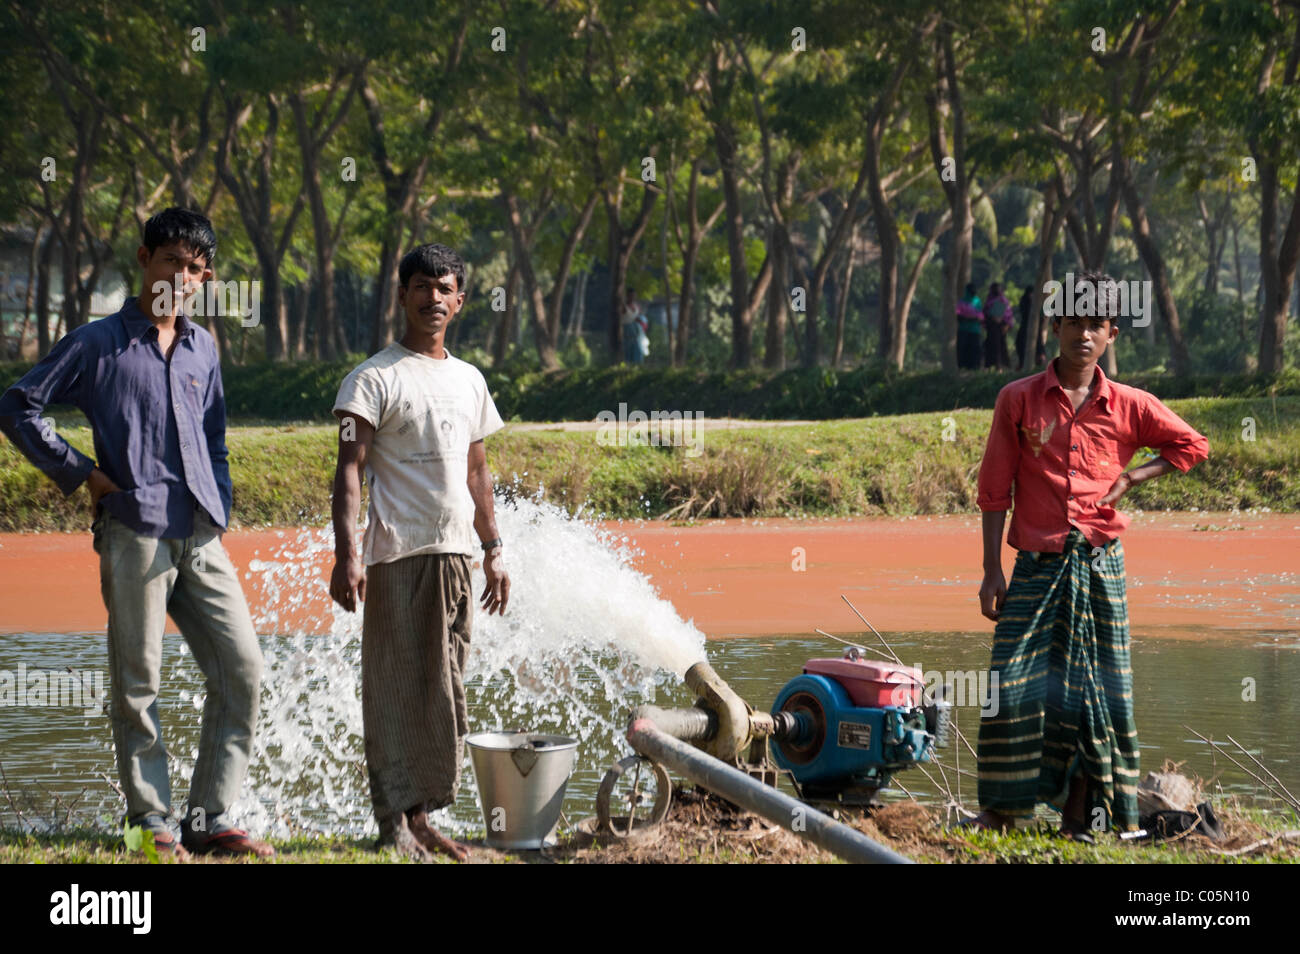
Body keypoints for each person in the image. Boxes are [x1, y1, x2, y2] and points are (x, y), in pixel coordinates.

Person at [0, 208, 270, 860]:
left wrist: (220, 502)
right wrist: (85, 475)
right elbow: (17, 405)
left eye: (197, 269)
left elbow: (214, 438)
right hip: (135, 533)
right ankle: (150, 823)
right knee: (137, 682)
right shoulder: (97, 343)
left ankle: (208, 820)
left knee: (243, 672)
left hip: (200, 536)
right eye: (173, 261)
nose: (184, 277)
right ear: (145, 258)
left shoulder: (205, 346)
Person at [968, 270, 1208, 840]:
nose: (1082, 334)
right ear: (1054, 326)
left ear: (1112, 333)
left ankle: (1083, 819)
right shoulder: (1018, 400)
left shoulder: (1130, 404)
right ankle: (1000, 812)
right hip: (1037, 569)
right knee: (1011, 684)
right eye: (1072, 322)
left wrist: (1133, 476)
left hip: (1101, 570)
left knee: (1098, 695)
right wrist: (989, 571)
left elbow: (1191, 445)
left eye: (1094, 325)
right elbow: (994, 489)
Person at [329, 243, 510, 862]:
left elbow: (478, 472)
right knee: (394, 687)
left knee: (443, 687)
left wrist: (494, 550)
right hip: (398, 556)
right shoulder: (373, 378)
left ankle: (423, 816)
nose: (433, 298)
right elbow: (348, 472)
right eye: (421, 286)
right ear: (401, 295)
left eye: (445, 288)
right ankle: (394, 822)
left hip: (458, 557)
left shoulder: (469, 379)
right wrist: (347, 554)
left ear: (459, 302)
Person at [981, 282, 1013, 370]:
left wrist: (1007, 325)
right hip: (991, 328)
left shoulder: (1004, 301)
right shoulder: (989, 301)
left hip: (1001, 328)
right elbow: (984, 315)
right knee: (991, 346)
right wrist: (992, 318)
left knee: (1001, 346)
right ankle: (990, 366)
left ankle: (1002, 366)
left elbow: (1009, 315)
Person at [956, 283, 983, 370]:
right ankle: (963, 366)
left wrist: (971, 318)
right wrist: (969, 318)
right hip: (964, 330)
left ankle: (975, 367)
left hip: (975, 330)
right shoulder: (962, 301)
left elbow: (980, 316)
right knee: (963, 348)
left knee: (975, 349)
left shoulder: (977, 301)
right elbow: (959, 315)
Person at [623, 289, 649, 364]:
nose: (632, 297)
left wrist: (642, 322)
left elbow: (637, 317)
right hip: (627, 331)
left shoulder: (636, 306)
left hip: (636, 331)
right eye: (630, 295)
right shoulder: (624, 306)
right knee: (628, 350)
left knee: (638, 350)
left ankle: (637, 367)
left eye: (634, 295)